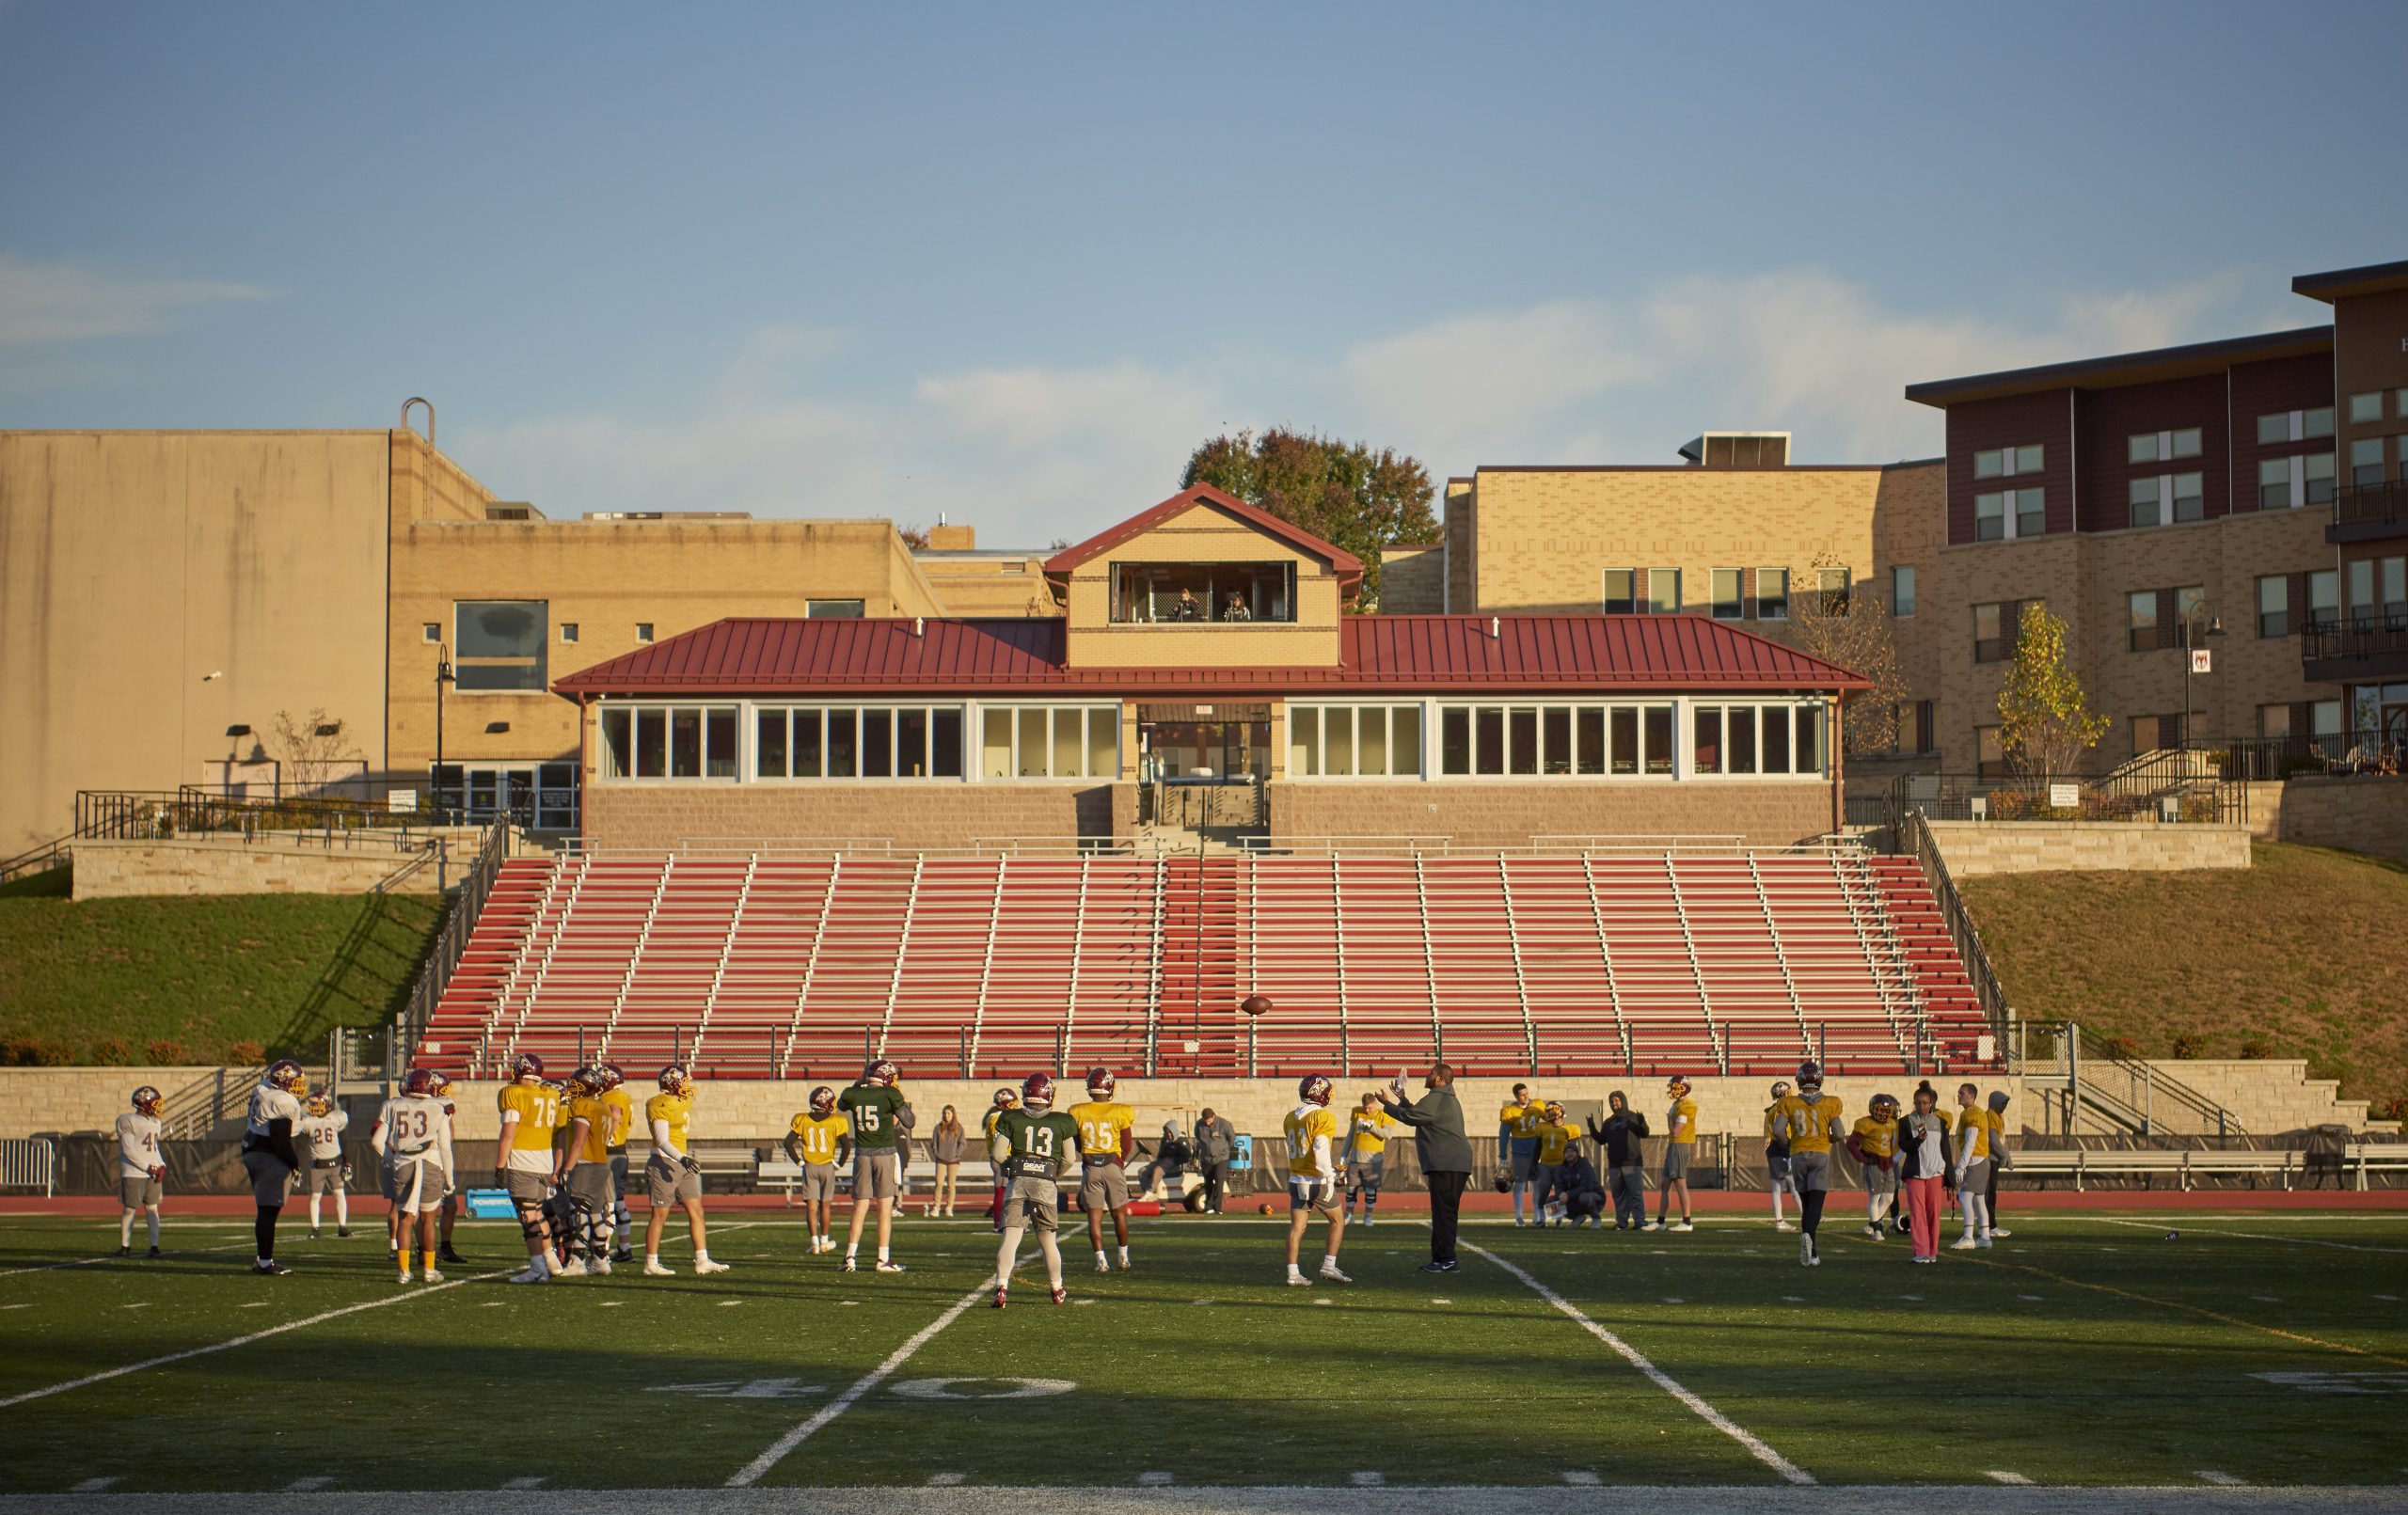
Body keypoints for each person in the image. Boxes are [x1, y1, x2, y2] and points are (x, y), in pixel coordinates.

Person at [990, 1071, 1078, 1308]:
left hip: (1018, 1182)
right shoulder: (1063, 1121)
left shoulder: (1010, 1118)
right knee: (1048, 1241)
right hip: (1045, 1185)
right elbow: (1070, 1159)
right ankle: (1057, 1288)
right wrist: (1051, 1174)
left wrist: (1013, 1168)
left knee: (1010, 1239)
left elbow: (998, 1154)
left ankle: (1002, 1287)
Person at [1378, 1062, 1471, 1273]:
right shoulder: (1442, 1099)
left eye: (1431, 1073)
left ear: (1440, 1079)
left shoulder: (1437, 1098)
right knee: (1443, 1212)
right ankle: (1441, 1259)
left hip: (1446, 1162)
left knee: (1444, 1213)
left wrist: (1387, 1104)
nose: (1427, 1076)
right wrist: (1402, 1099)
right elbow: (1418, 1114)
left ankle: (1446, 1259)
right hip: (1451, 1162)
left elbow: (1410, 1117)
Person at [639, 1063, 728, 1276]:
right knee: (660, 1215)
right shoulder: (659, 1103)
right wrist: (682, 1158)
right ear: (673, 1083)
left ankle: (702, 1260)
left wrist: (683, 1159)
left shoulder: (681, 1101)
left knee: (697, 1211)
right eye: (684, 1081)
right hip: (664, 1162)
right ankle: (651, 1263)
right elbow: (661, 1140)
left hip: (682, 1162)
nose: (688, 1086)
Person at [376, 1068, 454, 1284]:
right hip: (429, 1163)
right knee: (428, 1219)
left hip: (403, 1163)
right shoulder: (439, 1107)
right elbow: (445, 1148)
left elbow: (377, 1141)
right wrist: (449, 1178)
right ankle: (429, 1270)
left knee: (405, 1218)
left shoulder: (393, 1105)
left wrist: (392, 1159)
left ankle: (403, 1271)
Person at [494, 1053, 562, 1284]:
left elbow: (508, 1134)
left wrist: (500, 1167)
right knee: (537, 1212)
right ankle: (551, 1261)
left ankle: (537, 1269)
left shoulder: (513, 1094)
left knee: (527, 1216)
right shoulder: (551, 1094)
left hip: (523, 1161)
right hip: (544, 1161)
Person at [1768, 1062, 1846, 1267]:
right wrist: (1827, 1140)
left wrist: (1790, 1143)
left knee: (1806, 1202)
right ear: (1820, 1079)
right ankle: (1808, 1237)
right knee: (1816, 1204)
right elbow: (1839, 1133)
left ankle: (1812, 1254)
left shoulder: (1788, 1103)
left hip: (1798, 1155)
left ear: (1800, 1080)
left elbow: (1777, 1131)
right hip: (1820, 1153)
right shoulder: (1831, 1102)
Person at [240, 1059, 309, 1275]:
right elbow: (280, 1139)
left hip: (252, 1149)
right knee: (268, 1211)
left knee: (265, 1210)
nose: (299, 1085)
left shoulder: (263, 1088)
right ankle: (264, 1263)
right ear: (284, 1080)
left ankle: (263, 1259)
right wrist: (294, 1163)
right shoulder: (283, 1101)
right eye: (295, 1080)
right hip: (269, 1155)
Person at [839, 1059, 909, 1273]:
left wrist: (859, 1082)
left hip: (861, 1155)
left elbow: (842, 1104)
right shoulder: (891, 1094)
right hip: (884, 1154)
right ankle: (882, 1259)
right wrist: (899, 1103)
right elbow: (910, 1121)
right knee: (885, 1208)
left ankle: (849, 1257)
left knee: (860, 1207)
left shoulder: (854, 1094)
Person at [1281, 1074, 1352, 1286]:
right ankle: (1329, 1266)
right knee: (1338, 1221)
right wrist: (1329, 1177)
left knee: (1297, 1228)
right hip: (1316, 1181)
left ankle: (1293, 1274)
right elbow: (1320, 1148)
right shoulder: (1323, 1116)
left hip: (1296, 1179)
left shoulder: (1290, 1116)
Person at [1068, 1066, 1136, 1272]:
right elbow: (1126, 1143)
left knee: (1094, 1217)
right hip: (1113, 1163)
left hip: (1091, 1166)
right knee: (1119, 1214)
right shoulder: (1122, 1110)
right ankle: (1123, 1257)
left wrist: (1088, 1156)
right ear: (1110, 1087)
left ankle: (1101, 1261)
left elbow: (1077, 1142)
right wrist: (1118, 1161)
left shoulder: (1077, 1111)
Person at [555, 1067, 615, 1276]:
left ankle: (577, 1262)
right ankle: (600, 1261)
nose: (572, 1089)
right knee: (596, 1213)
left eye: (576, 1085)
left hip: (585, 1164)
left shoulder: (583, 1105)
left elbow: (579, 1141)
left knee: (579, 1213)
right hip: (601, 1163)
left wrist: (568, 1167)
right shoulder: (602, 1107)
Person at [782, 1085, 850, 1255]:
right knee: (825, 1207)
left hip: (810, 1166)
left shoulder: (802, 1119)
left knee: (811, 1207)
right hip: (827, 1166)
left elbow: (787, 1143)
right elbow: (846, 1146)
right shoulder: (837, 1120)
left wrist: (798, 1161)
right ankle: (825, 1242)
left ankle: (814, 1244)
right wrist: (839, 1163)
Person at [1896, 1081, 1955, 1264]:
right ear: (1914, 1103)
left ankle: (1932, 1252)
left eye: (1925, 1102)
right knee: (1918, 1213)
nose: (1921, 1105)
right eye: (1918, 1102)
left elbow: (1946, 1150)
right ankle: (1921, 1252)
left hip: (1936, 1173)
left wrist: (1950, 1176)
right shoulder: (1906, 1122)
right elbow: (1904, 1146)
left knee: (1933, 1213)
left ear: (1931, 1103)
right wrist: (1917, 1141)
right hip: (1915, 1173)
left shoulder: (1941, 1122)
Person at [1585, 1091, 1650, 1229]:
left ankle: (1640, 1222)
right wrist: (1592, 1128)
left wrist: (1642, 1121)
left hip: (1632, 1163)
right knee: (1618, 1195)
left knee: (1635, 1194)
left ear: (1623, 1101)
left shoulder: (1633, 1117)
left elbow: (1645, 1133)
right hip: (1614, 1164)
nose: (1615, 1104)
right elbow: (1602, 1140)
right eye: (1612, 1101)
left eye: (1617, 1100)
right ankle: (1622, 1222)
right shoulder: (1609, 1122)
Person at [116, 1084, 166, 1259]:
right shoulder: (127, 1120)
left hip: (150, 1172)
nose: (158, 1107)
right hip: (134, 1172)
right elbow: (128, 1150)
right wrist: (148, 1167)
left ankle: (154, 1246)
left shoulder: (155, 1123)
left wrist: (161, 1164)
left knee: (153, 1209)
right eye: (155, 1103)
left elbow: (154, 1149)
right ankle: (125, 1246)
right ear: (145, 1103)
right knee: (130, 1209)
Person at [1643, 1075, 1698, 1233]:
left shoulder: (1687, 1105)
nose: (1672, 1090)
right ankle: (1661, 1221)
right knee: (1665, 1184)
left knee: (1680, 1183)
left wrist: (1668, 1118)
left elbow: (1675, 1131)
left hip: (1680, 1145)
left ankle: (1687, 1222)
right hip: (1674, 1145)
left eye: (1675, 1087)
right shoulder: (1677, 1104)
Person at [1846, 1093, 1903, 1240]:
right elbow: (1851, 1143)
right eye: (1880, 1110)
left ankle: (1873, 1225)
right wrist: (1863, 1158)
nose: (1883, 1113)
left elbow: (1890, 1143)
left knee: (1889, 1198)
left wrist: (1891, 1158)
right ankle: (1877, 1231)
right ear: (1872, 1109)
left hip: (1887, 1163)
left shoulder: (1892, 1123)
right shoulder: (1865, 1123)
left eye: (1886, 1110)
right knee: (1875, 1197)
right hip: (1873, 1163)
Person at [296, 1089, 352, 1240]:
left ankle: (342, 1226)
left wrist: (347, 1161)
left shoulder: (336, 1118)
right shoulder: (308, 1121)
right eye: (312, 1104)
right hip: (317, 1165)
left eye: (316, 1104)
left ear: (326, 1104)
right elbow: (301, 1145)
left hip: (335, 1163)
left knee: (339, 1194)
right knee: (315, 1197)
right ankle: (315, 1228)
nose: (313, 1107)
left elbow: (344, 1140)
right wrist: (298, 1166)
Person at [1343, 1093, 1402, 1227]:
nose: (1367, 1110)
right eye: (1365, 1107)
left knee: (1370, 1190)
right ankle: (1349, 1215)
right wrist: (1343, 1155)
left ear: (1375, 1104)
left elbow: (1387, 1135)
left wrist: (1371, 1127)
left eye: (1370, 1108)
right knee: (1351, 1188)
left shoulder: (1384, 1115)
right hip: (1355, 1159)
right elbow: (1350, 1135)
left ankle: (1368, 1216)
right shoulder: (1357, 1112)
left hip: (1373, 1160)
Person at [598, 1062, 636, 1263]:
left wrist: (604, 1137)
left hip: (609, 1153)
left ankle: (602, 1252)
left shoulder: (611, 1096)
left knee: (609, 1205)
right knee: (619, 1203)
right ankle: (625, 1248)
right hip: (621, 1152)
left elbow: (615, 1116)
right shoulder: (625, 1096)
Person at [1951, 1081, 1993, 1250]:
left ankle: (1968, 1236)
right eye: (1959, 1093)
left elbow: (1970, 1142)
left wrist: (1961, 1166)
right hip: (1980, 1161)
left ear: (1972, 1096)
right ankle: (1985, 1237)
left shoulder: (1973, 1114)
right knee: (1978, 1199)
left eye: (1962, 1093)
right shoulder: (1970, 1113)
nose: (1959, 1096)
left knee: (1965, 1197)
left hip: (1976, 1160)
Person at [1498, 1082, 1546, 1225]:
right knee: (1519, 1183)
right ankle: (1519, 1216)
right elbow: (1503, 1134)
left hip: (1536, 1150)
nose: (1526, 1097)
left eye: (1527, 1093)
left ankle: (1537, 1214)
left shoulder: (1538, 1105)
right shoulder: (1509, 1111)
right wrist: (1502, 1155)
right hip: (1520, 1151)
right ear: (1516, 1096)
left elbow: (1550, 1121)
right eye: (1522, 1095)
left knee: (1537, 1183)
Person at [1762, 1079, 1799, 1233]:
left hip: (1774, 1148)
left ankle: (1779, 1220)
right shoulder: (1780, 1109)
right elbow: (1781, 1130)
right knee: (1794, 1186)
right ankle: (1806, 1216)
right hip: (1783, 1146)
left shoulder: (1771, 1110)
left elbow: (1766, 1131)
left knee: (1779, 1187)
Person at [980, 1086, 1019, 1232]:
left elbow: (989, 1141)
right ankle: (1009, 1223)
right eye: (1012, 1102)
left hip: (995, 1158)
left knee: (999, 1191)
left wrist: (992, 1154)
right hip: (1008, 1157)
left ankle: (997, 1223)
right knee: (1011, 1192)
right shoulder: (1009, 1118)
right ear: (1005, 1103)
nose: (1015, 1105)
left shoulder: (991, 1118)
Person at [1532, 1101, 1576, 1223]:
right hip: (1545, 1164)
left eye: (1551, 1111)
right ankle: (1541, 1218)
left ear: (1558, 1111)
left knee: (1559, 1193)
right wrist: (1533, 1163)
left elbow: (1573, 1150)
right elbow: (1537, 1147)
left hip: (1561, 1165)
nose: (1548, 1114)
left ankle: (1558, 1218)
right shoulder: (1542, 1127)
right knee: (1543, 1191)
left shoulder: (1569, 1128)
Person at [1552, 1142, 1607, 1227]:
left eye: (1572, 1151)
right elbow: (1559, 1185)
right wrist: (1560, 1194)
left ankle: (1596, 1217)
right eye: (1567, 1152)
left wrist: (1568, 1194)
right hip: (1574, 1198)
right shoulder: (1561, 1168)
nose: (1569, 1154)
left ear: (1577, 1153)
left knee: (1584, 1197)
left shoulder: (1585, 1165)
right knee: (1550, 1201)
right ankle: (1577, 1217)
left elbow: (1588, 1186)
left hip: (1594, 1197)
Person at [1984, 1090, 2014, 1240]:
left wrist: (2007, 1157)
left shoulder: (1998, 1116)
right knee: (1988, 1195)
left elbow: (2002, 1140)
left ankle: (1991, 1225)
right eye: (2002, 1103)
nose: (2004, 1106)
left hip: (1995, 1160)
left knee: (1991, 1194)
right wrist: (2004, 1157)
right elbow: (1993, 1141)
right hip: (1989, 1160)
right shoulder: (1990, 1116)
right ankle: (1990, 1226)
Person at [1193, 1107, 1235, 1214]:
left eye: (1209, 1120)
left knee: (1219, 1181)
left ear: (1213, 1116)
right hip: (1206, 1159)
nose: (1207, 1123)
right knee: (1208, 1183)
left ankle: (1218, 1208)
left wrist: (1223, 1150)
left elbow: (1231, 1138)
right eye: (1205, 1121)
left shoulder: (1224, 1124)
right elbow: (1197, 1137)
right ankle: (1208, 1206)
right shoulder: (1199, 1125)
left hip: (1221, 1159)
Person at [929, 1105, 968, 1217]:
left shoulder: (958, 1128)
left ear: (953, 1114)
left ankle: (949, 1207)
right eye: (944, 1113)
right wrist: (936, 1153)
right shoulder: (938, 1127)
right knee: (939, 1183)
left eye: (948, 1113)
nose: (946, 1115)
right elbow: (934, 1142)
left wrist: (957, 1153)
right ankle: (936, 1207)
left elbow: (963, 1143)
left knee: (951, 1185)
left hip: (953, 1160)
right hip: (940, 1159)